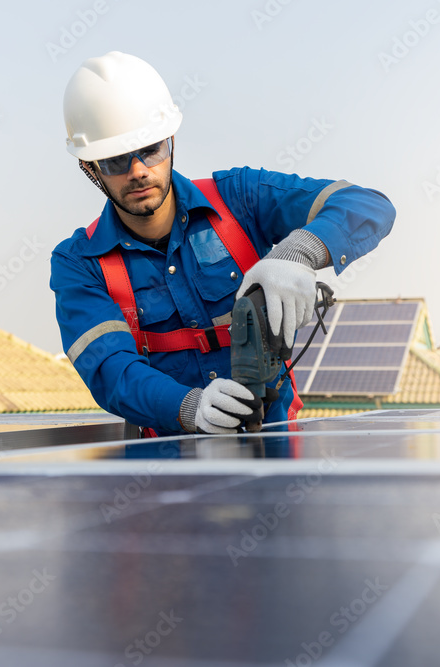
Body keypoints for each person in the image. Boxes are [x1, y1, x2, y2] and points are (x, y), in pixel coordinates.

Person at [51, 51, 395, 437]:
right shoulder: (79, 263)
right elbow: (109, 370)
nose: (139, 170)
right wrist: (188, 407)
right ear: (90, 168)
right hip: (167, 472)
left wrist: (298, 253)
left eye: (150, 150)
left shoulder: (239, 198)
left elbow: (368, 205)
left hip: (278, 451)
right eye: (116, 161)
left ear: (170, 141)